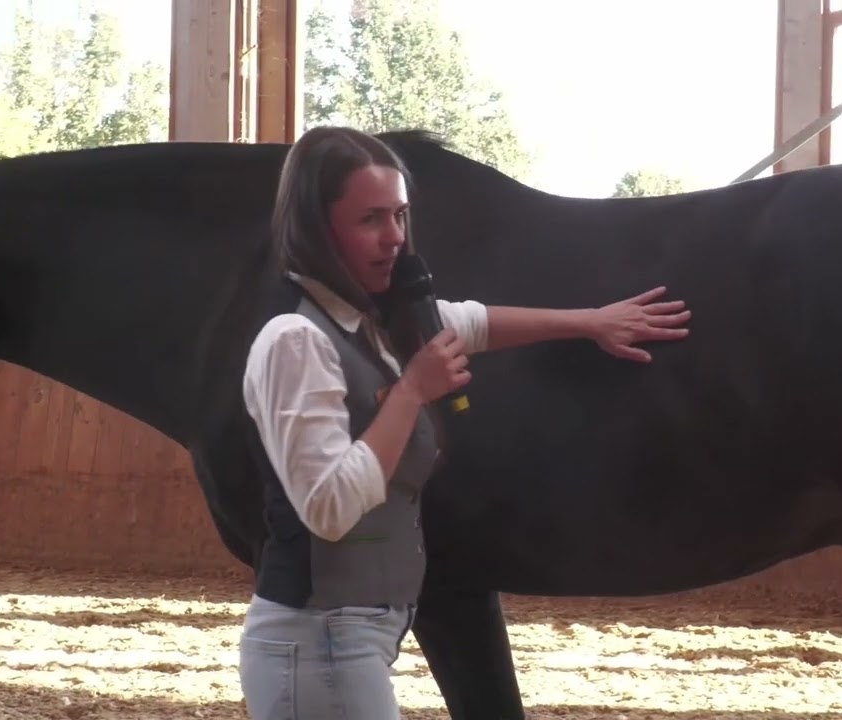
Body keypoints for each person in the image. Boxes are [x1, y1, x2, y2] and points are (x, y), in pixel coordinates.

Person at [235, 125, 691, 720]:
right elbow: (327, 505)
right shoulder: (295, 341)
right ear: (318, 228)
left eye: (400, 216)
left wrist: (590, 321)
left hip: (353, 635)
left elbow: (473, 322)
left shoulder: (370, 326)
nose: (394, 237)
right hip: (318, 639)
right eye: (370, 219)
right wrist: (412, 392)